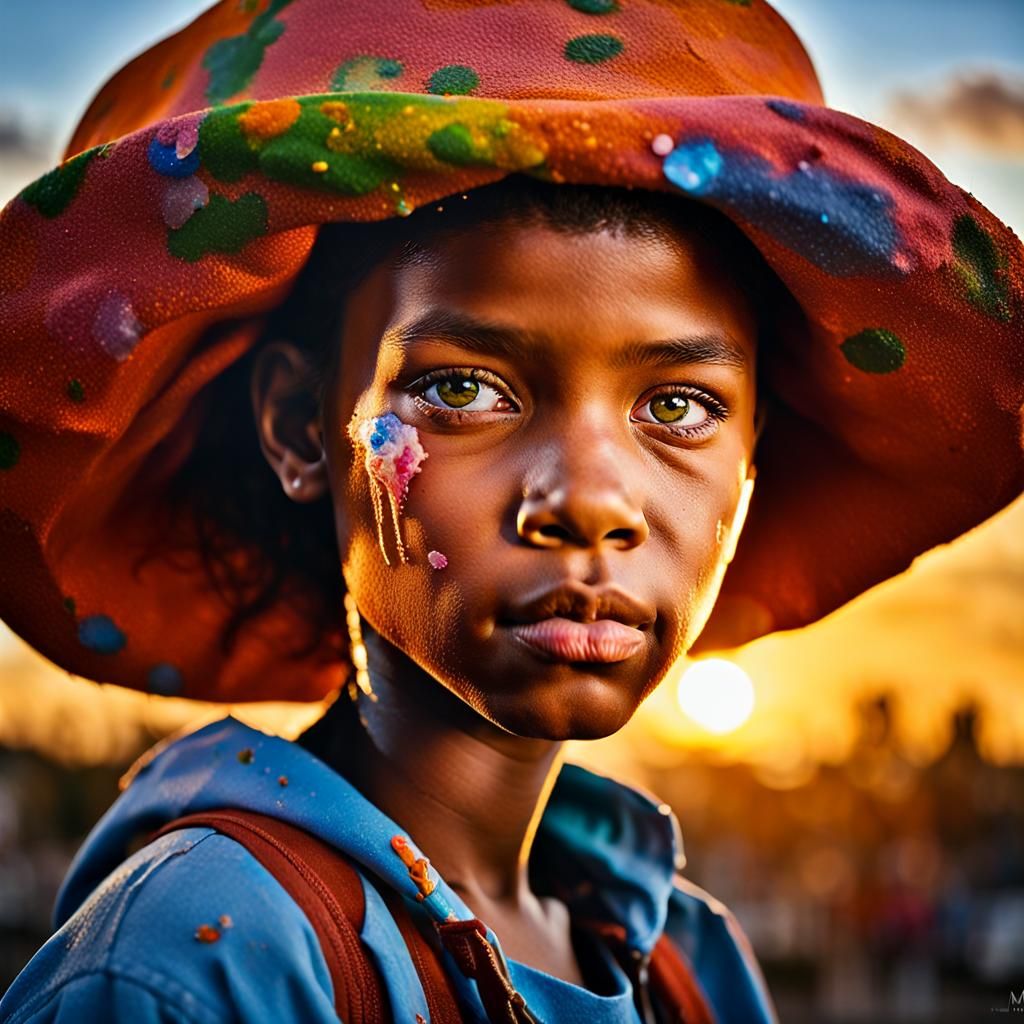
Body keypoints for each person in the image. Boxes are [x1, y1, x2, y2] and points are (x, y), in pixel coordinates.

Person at [0, 0, 1021, 1021]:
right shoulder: (193, 967)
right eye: (462, 389)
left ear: (753, 454)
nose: (586, 500)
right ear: (300, 427)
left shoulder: (689, 965)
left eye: (677, 406)